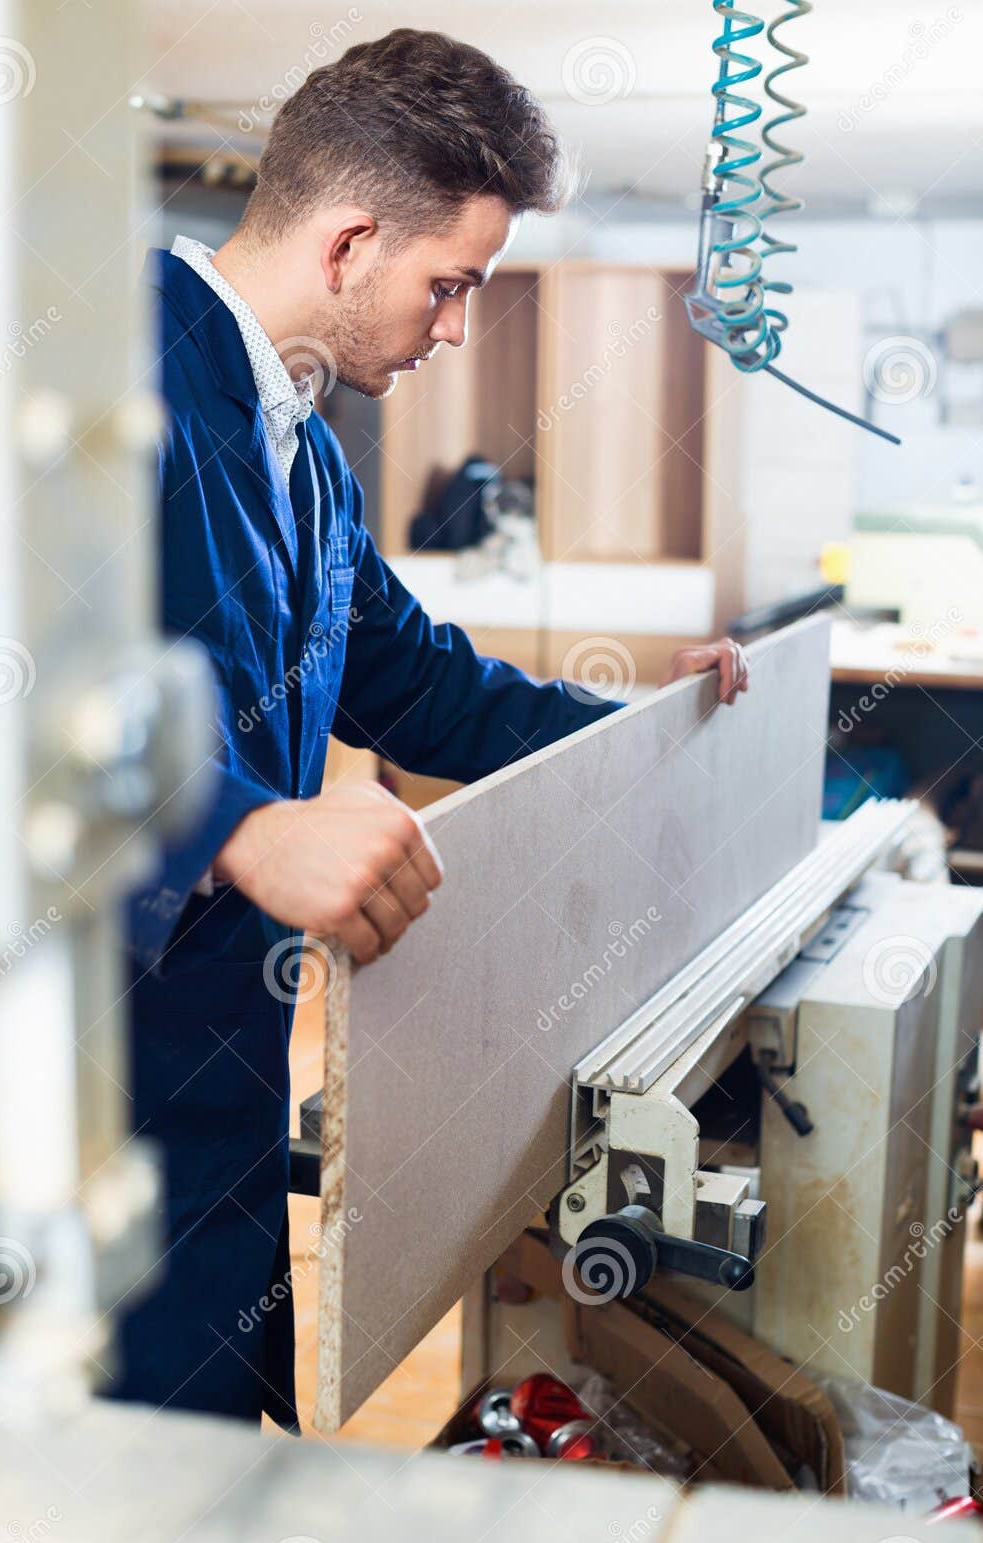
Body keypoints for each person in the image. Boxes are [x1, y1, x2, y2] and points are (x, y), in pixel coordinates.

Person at [114, 28, 748, 1428]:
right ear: (346, 246)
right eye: (448, 285)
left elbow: (430, 687)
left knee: (197, 1496)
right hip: (79, 1115)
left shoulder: (312, 459)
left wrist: (654, 718)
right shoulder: (107, 396)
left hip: (218, 1103)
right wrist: (239, 827)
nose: (455, 328)